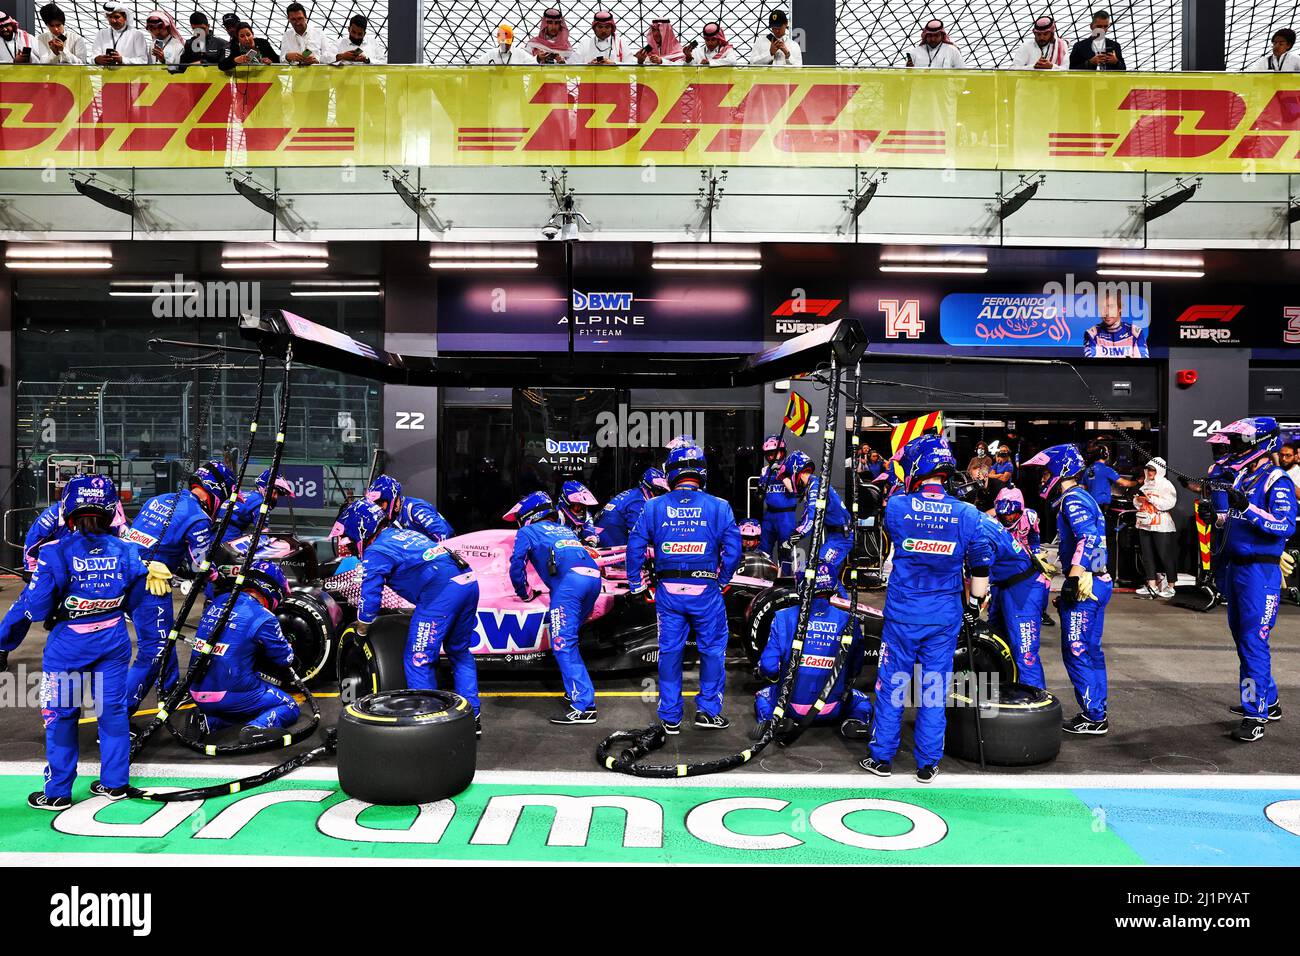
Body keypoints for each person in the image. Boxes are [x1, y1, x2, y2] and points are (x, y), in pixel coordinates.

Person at [15, 475, 171, 810]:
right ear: (111, 508)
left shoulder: (53, 552)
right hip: (113, 642)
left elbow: (37, 608)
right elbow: (136, 603)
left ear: (69, 507)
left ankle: (57, 792)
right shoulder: (130, 551)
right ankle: (115, 784)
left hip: (67, 648)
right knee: (112, 713)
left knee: (60, 716)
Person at [860, 434, 990, 781]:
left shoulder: (899, 507)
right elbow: (980, 564)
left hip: (903, 614)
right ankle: (928, 763)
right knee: (934, 688)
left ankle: (882, 758)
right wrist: (974, 604)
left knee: (892, 685)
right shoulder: (968, 513)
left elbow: (891, 528)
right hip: (944, 615)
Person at [333, 500, 482, 733]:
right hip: (469, 581)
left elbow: (370, 598)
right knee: (459, 652)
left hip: (442, 592)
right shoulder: (404, 533)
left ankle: (427, 726)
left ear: (359, 527)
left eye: (349, 536)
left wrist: (361, 630)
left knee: (418, 659)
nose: (349, 543)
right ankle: (472, 719)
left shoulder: (377, 551)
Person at [627, 442, 741, 732]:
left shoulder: (652, 506)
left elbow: (635, 547)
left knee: (669, 652)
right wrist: (723, 579)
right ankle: (708, 712)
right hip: (706, 590)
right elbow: (733, 551)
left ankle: (670, 716)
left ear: (670, 473)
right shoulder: (720, 506)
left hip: (668, 591)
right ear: (701, 472)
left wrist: (636, 585)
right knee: (713, 651)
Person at [1207, 418, 1296, 740]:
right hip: (1237, 568)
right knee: (1244, 640)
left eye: (1240, 442)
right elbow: (1229, 520)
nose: (1233, 448)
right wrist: (1217, 513)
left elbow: (1286, 526)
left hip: (1260, 572)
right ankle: (1267, 702)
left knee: (1252, 642)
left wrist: (1248, 509)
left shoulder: (1276, 479)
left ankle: (1254, 712)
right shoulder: (1243, 476)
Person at [121, 461, 232, 710]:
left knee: (165, 635)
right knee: (154, 650)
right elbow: (200, 566)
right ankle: (118, 719)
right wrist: (220, 578)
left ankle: (170, 691)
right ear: (217, 491)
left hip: (125, 573)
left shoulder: (159, 500)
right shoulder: (197, 518)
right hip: (150, 584)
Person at [1024, 443, 1113, 734]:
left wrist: (1074, 578)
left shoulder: (1072, 500)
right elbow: (1098, 540)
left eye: (1045, 471)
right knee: (1091, 650)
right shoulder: (1083, 497)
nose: (1041, 477)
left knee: (1076, 650)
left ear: (1059, 470)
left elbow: (1087, 537)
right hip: (1098, 581)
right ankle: (1097, 710)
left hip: (1086, 586)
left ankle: (1094, 716)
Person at [0, 475, 128, 662]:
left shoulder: (115, 513)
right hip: (55, 567)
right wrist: (31, 567)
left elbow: (127, 540)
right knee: (26, 604)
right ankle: (2, 646)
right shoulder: (53, 514)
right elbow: (33, 541)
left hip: (93, 567)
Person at [506, 491, 602, 724]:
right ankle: (576, 692)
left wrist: (525, 593)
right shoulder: (566, 530)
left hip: (570, 586)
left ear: (527, 515)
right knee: (569, 641)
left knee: (562, 643)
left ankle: (584, 707)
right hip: (593, 579)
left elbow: (516, 565)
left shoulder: (527, 531)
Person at [184, 560, 299, 745]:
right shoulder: (263, 617)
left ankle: (208, 721)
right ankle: (256, 728)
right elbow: (285, 659)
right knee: (289, 706)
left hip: (196, 691)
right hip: (229, 695)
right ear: (273, 589)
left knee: (242, 702)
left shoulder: (218, 601)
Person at [754, 561, 873, 736]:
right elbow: (856, 667)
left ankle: (771, 721)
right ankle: (856, 721)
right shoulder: (850, 620)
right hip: (833, 706)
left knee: (763, 696)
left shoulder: (782, 617)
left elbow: (769, 667)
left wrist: (773, 678)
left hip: (790, 706)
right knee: (862, 701)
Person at [980, 511, 1051, 689]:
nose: (1008, 516)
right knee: (995, 641)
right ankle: (1007, 689)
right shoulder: (982, 519)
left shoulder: (977, 527)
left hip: (1024, 588)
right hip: (1002, 584)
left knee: (1025, 652)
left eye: (1012, 512)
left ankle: (1035, 701)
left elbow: (979, 569)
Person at [782, 450, 852, 586]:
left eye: (790, 476)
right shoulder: (814, 485)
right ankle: (837, 605)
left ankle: (838, 606)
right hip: (836, 536)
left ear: (796, 471)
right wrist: (795, 533)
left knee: (820, 572)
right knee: (828, 578)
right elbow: (807, 517)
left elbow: (812, 518)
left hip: (841, 538)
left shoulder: (816, 487)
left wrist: (793, 539)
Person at [1134, 458, 1178, 599]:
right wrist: (1138, 500)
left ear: (1159, 470)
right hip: (1144, 522)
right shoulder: (1145, 484)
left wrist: (1151, 500)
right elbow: (1139, 504)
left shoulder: (1166, 484)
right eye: (1148, 469)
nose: (1150, 472)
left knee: (1165, 555)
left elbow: (1170, 503)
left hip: (1161, 525)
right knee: (1147, 555)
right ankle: (1151, 584)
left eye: (1153, 469)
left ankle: (1171, 586)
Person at [366, 474, 455, 543]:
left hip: (444, 555)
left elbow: (443, 534)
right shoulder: (390, 518)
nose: (378, 508)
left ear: (391, 499)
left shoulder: (415, 509)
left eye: (380, 503)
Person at [596, 467, 668, 547]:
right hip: (611, 539)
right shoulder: (638, 502)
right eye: (659, 492)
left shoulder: (634, 494)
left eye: (664, 492)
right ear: (647, 487)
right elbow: (640, 532)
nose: (661, 496)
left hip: (602, 532)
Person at [219, 467, 295, 542]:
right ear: (266, 488)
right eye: (275, 493)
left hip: (215, 528)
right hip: (228, 532)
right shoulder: (262, 503)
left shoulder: (249, 494)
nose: (276, 497)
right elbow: (263, 531)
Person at [758, 434, 798, 558]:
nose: (771, 456)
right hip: (769, 515)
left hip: (786, 516)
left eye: (774, 453)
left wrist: (781, 473)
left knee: (785, 551)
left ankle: (785, 577)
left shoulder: (791, 467)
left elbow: (793, 490)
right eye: (769, 454)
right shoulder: (765, 470)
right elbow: (760, 496)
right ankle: (764, 577)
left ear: (782, 452)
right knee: (763, 551)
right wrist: (760, 490)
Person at [1084, 295, 1148, 358]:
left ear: (1119, 308)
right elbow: (1093, 367)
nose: (1106, 313)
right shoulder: (1092, 334)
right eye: (1102, 307)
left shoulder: (1135, 333)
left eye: (1111, 307)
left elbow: (1142, 366)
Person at [557, 479, 600, 544]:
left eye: (582, 505)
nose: (579, 508)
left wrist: (593, 539)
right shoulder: (556, 516)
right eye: (576, 505)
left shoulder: (587, 516)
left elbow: (590, 531)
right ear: (567, 503)